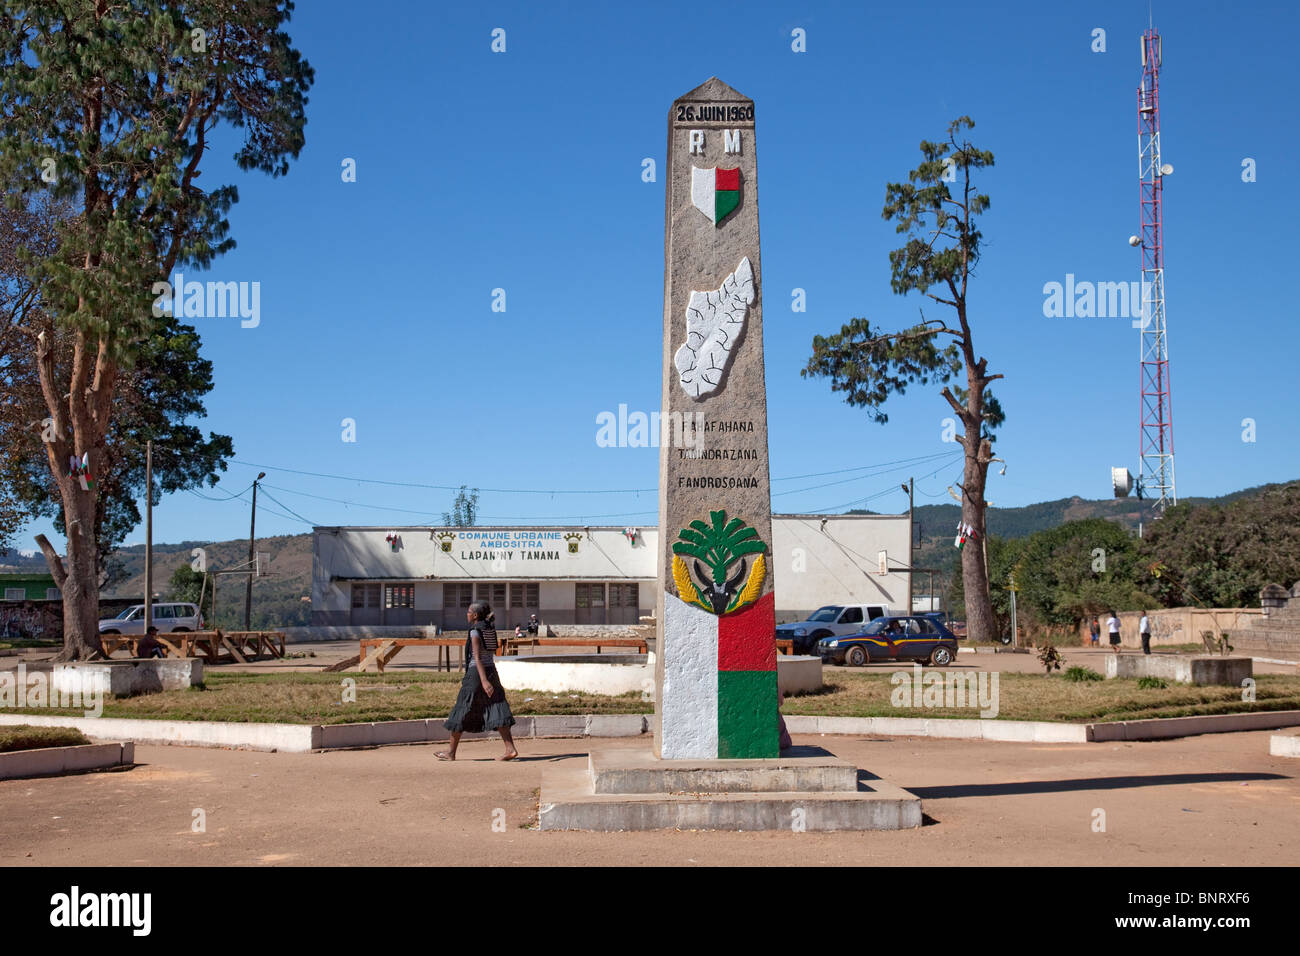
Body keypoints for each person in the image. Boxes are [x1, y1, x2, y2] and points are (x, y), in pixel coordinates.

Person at [438, 600, 517, 761]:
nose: (466, 614)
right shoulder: (489, 628)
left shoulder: (474, 631)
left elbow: (477, 657)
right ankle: (510, 748)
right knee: (497, 706)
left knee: (462, 707)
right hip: (492, 672)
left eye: (468, 612)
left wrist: (483, 680)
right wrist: (488, 679)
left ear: (474, 615)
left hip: (477, 674)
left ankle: (451, 752)